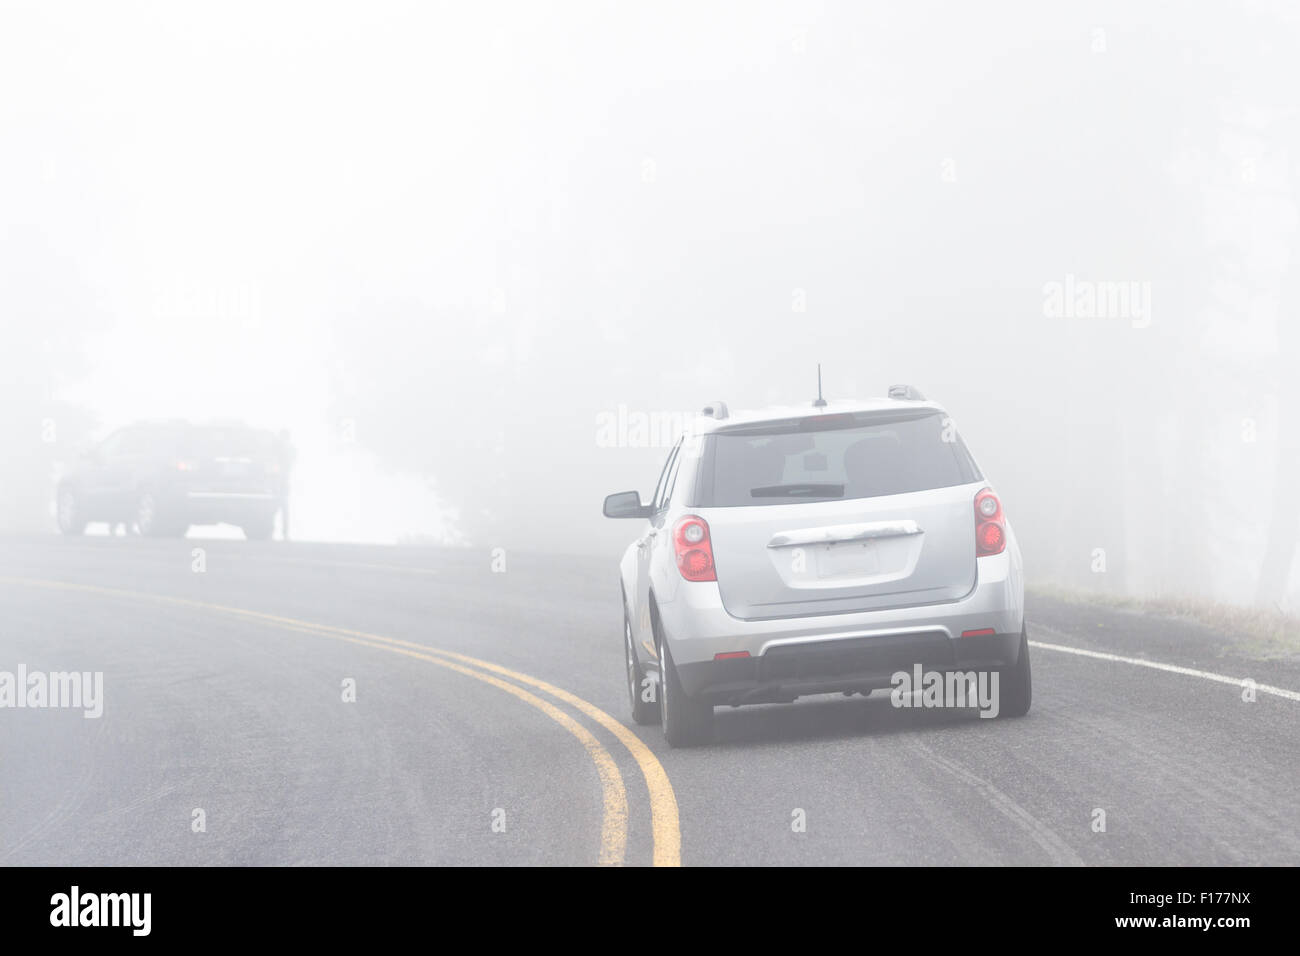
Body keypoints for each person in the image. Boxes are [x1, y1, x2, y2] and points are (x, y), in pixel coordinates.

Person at [273, 429, 296, 541]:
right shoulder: (289, 449)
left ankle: (283, 532)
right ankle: (284, 533)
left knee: (280, 507)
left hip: (279, 482)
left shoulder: (278, 449)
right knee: (283, 507)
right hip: (280, 482)